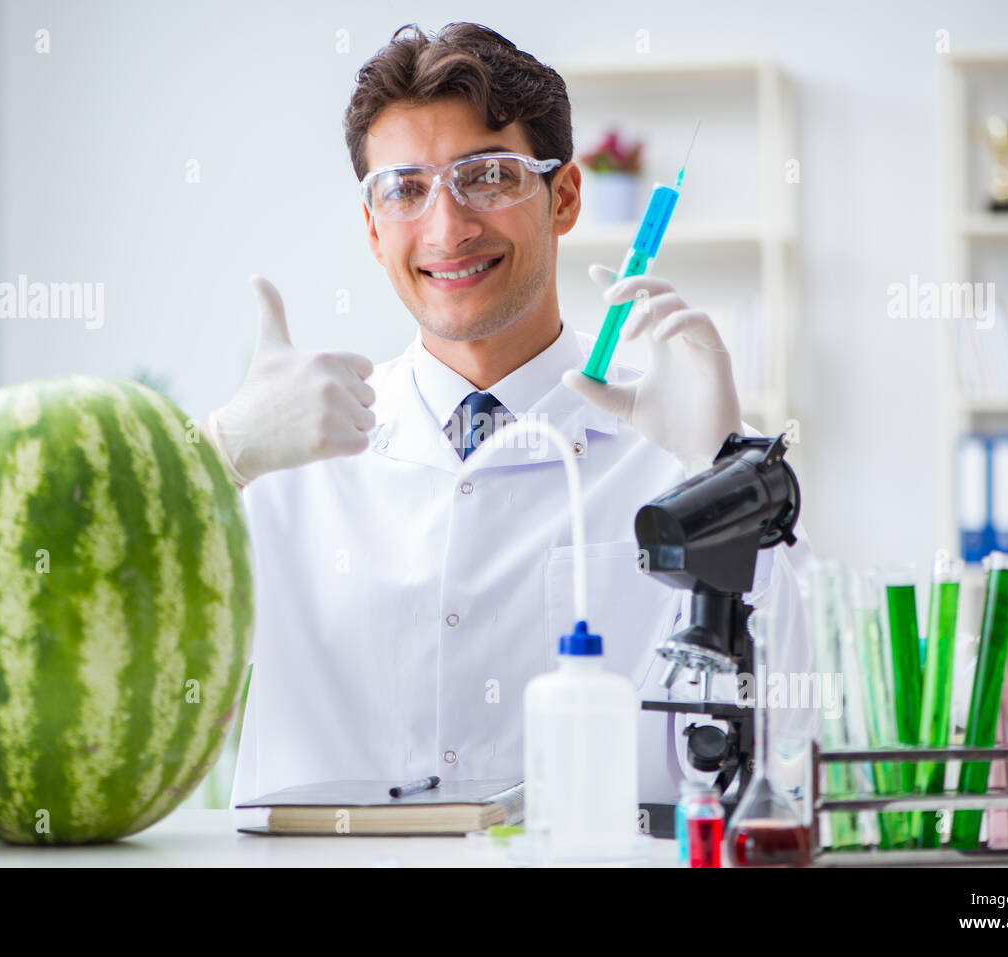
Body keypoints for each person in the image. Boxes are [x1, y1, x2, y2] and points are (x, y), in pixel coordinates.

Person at [209, 22, 816, 810]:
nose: (446, 226)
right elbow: (98, 660)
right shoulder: (286, 461)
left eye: (487, 176)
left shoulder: (672, 448)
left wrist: (730, 477)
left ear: (562, 197)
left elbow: (793, 732)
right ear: (372, 227)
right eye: (404, 188)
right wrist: (213, 456)